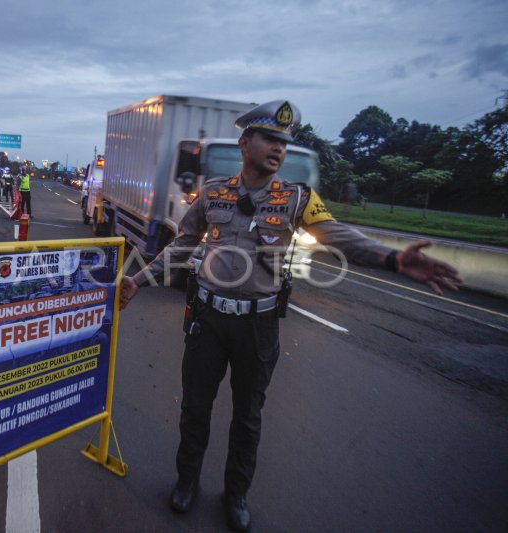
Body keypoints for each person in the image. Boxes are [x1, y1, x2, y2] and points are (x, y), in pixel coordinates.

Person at [119, 100, 461, 532]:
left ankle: (236, 494)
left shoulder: (297, 197)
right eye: (270, 139)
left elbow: (339, 236)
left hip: (257, 327)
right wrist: (142, 278)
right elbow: (183, 244)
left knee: (248, 415)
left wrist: (394, 260)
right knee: (196, 408)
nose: (279, 148)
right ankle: (186, 481)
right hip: (208, 320)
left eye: (284, 142)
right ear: (246, 144)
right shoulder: (213, 193)